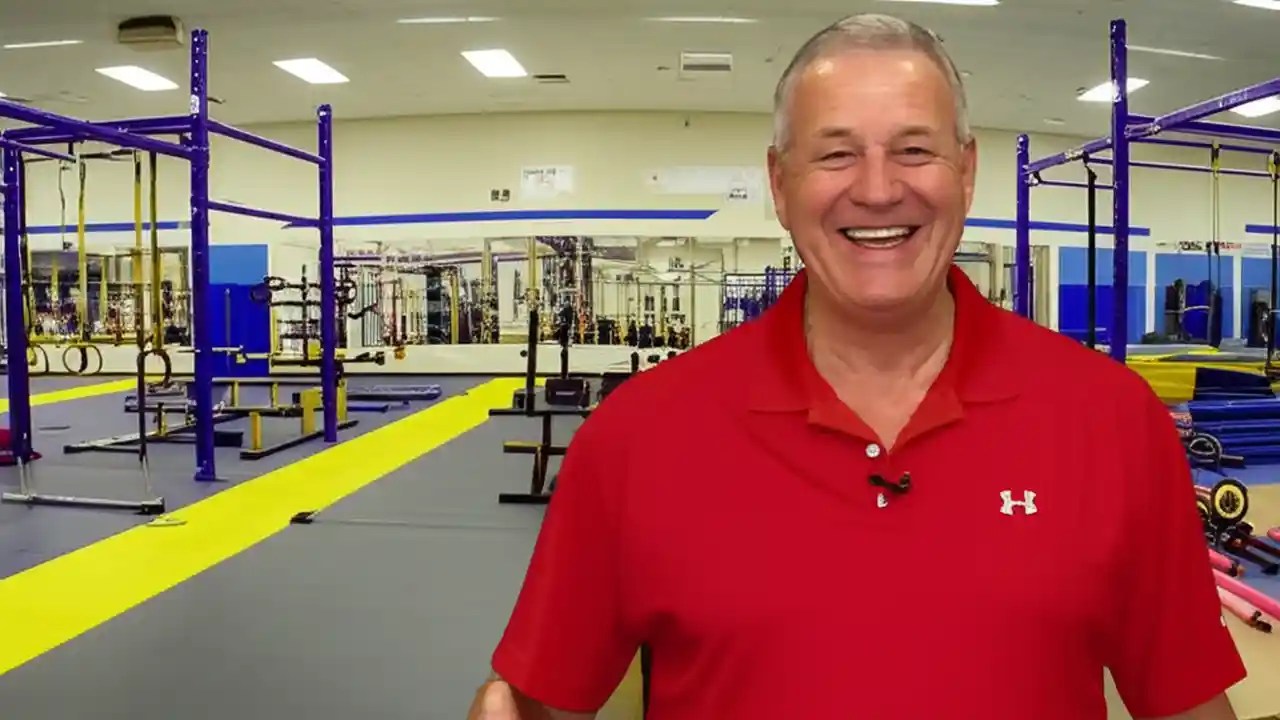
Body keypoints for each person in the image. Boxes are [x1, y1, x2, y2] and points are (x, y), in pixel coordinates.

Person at [470, 13, 1247, 720]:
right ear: (780, 183)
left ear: (966, 172)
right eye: (836, 154)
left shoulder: (1111, 419)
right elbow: (540, 703)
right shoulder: (638, 435)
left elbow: (1185, 703)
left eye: (914, 150)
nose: (878, 190)